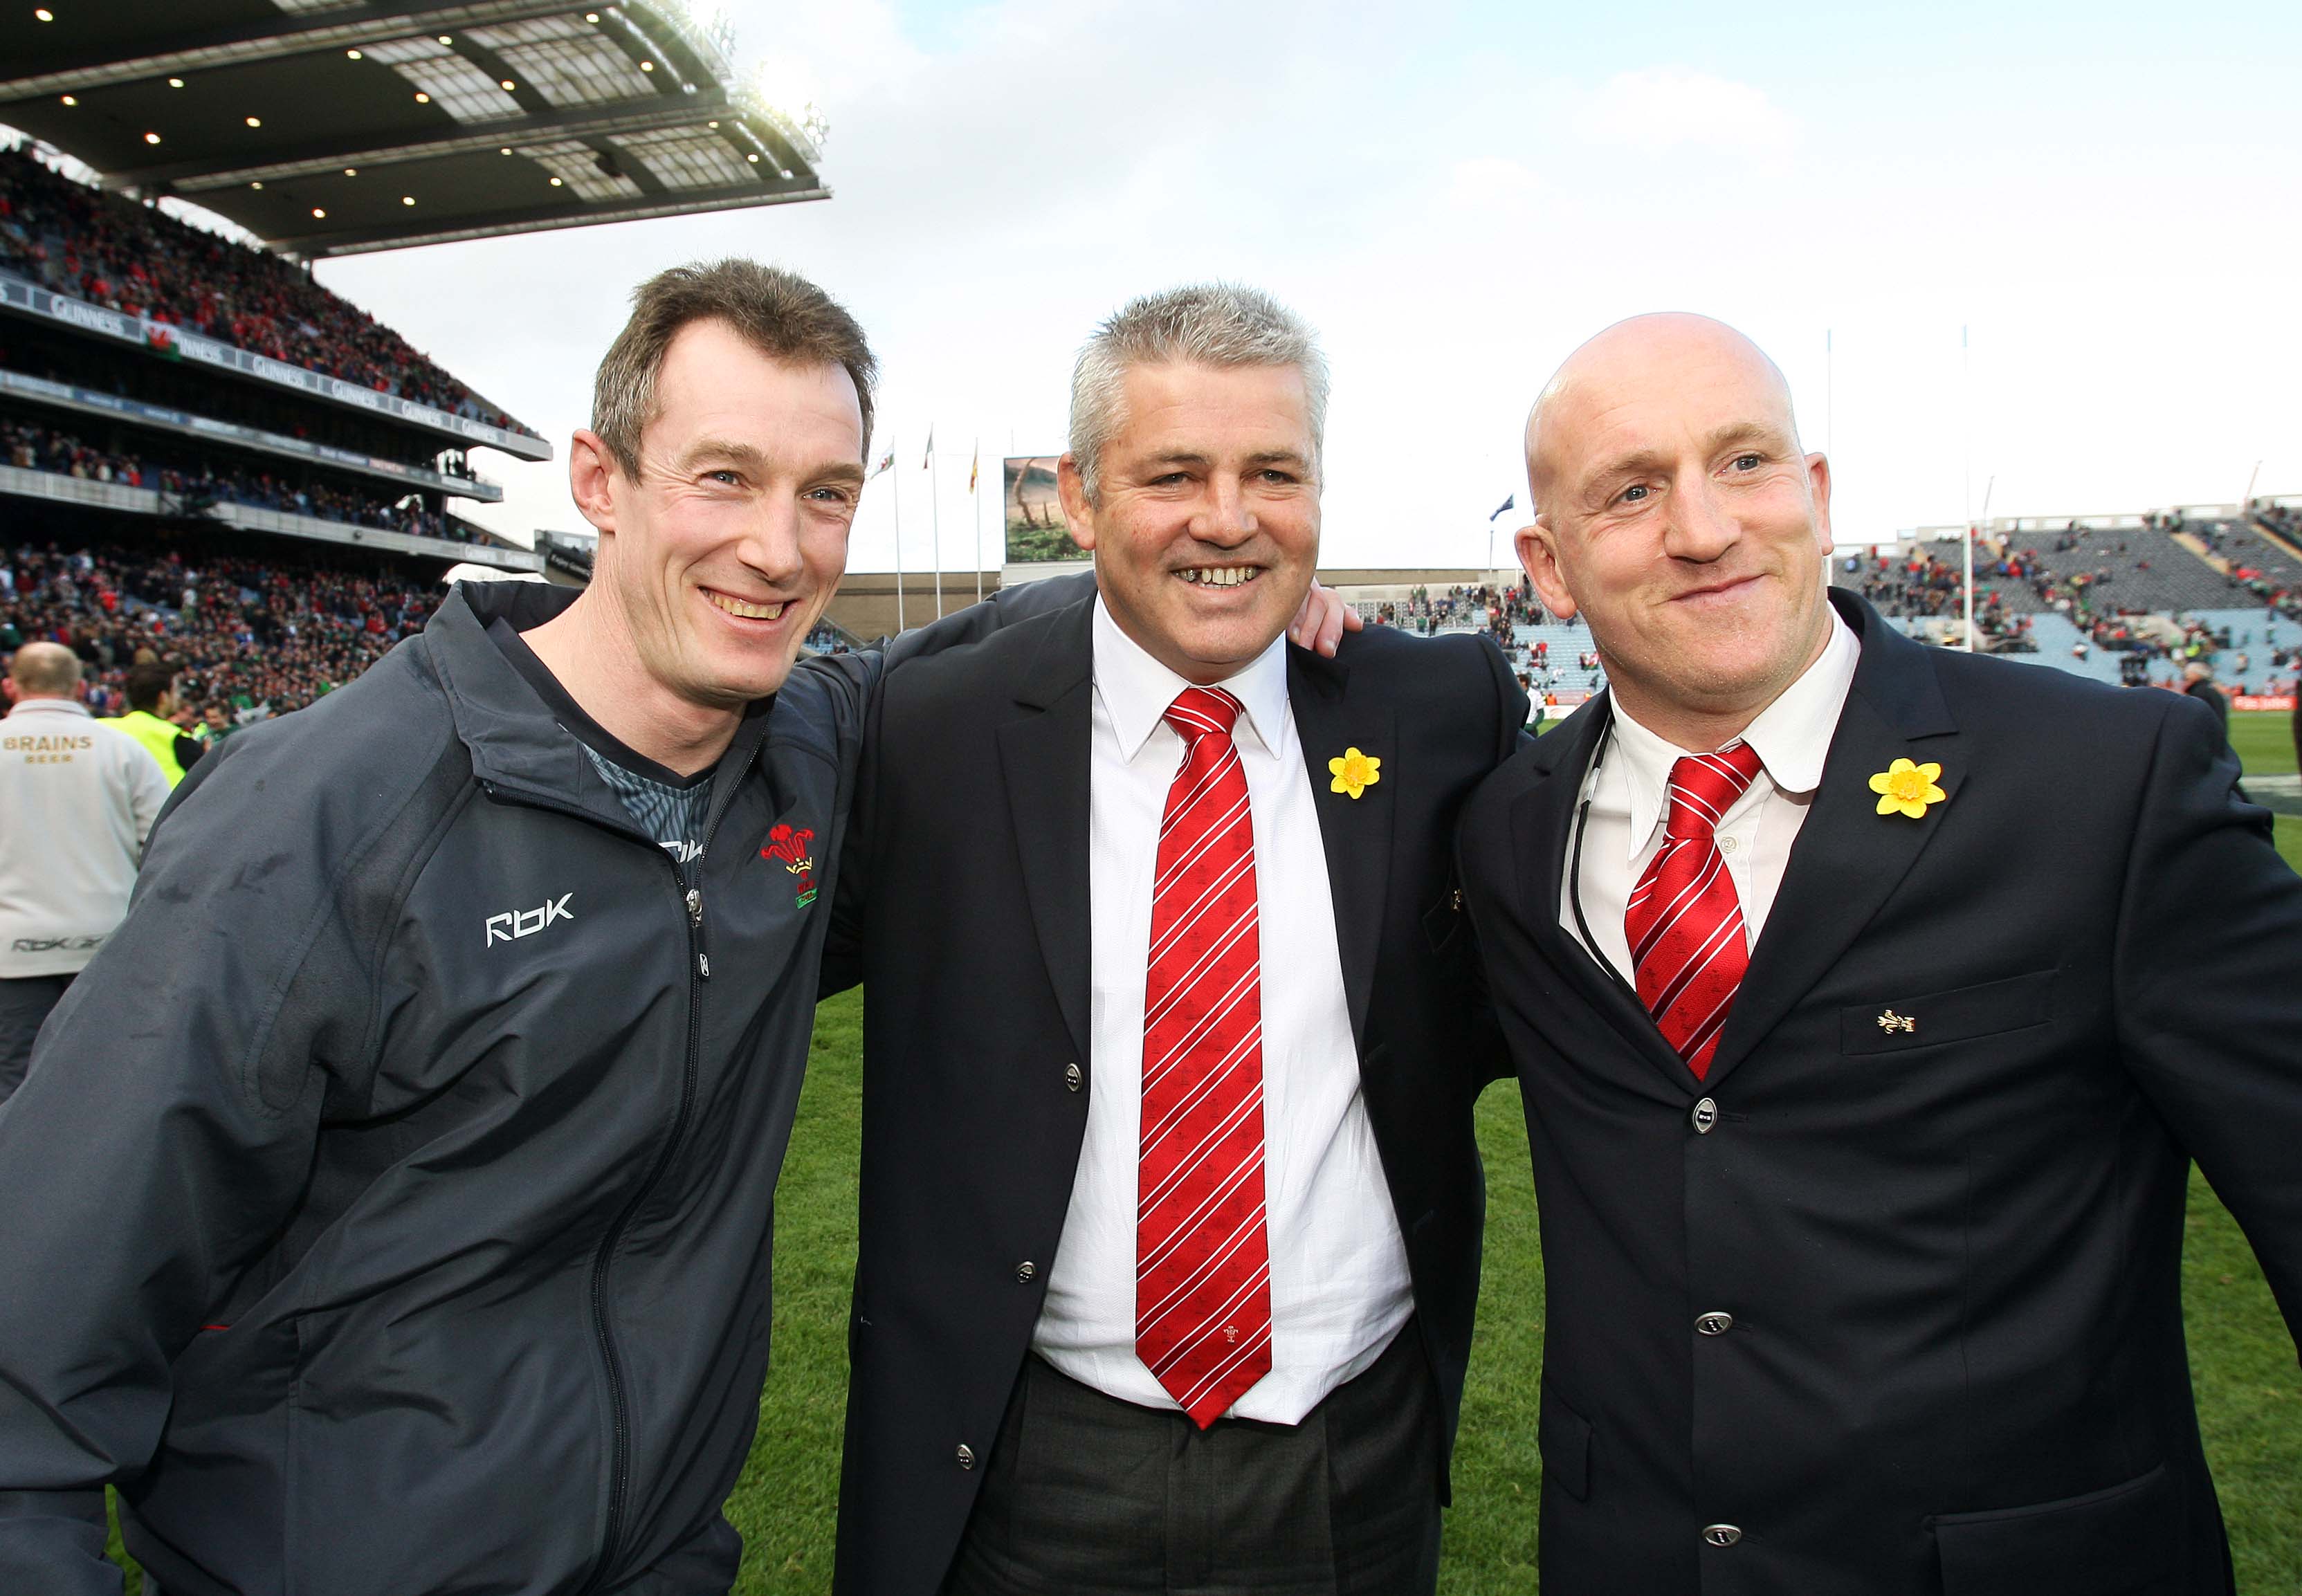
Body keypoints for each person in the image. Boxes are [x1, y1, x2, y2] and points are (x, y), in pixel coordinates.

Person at [0, 259, 1092, 1595]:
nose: (780, 546)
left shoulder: (810, 747)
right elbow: (37, 1321)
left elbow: (998, 642)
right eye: (724, 477)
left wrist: (1247, 587)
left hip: (664, 1563)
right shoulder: (319, 817)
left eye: (825, 494)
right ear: (597, 479)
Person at [1456, 312, 2302, 1593]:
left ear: (1816, 494)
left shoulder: (2102, 784)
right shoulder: (1506, 830)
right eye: (1630, 491)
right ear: (1547, 564)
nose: (1700, 527)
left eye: (1742, 462)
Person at [826, 284, 1526, 1595]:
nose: (1228, 515)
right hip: (1031, 1452)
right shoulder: (930, 729)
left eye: (1273, 472)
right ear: (1080, 501)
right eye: (1173, 475)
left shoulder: (1440, 711)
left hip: (1350, 1455)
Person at [0, 641, 168, 1100]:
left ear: (10, 684)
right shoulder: (123, 751)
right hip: (104, 942)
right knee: (102, 1086)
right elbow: (163, 842)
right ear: (82, 687)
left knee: (13, 1090)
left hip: (10, 952)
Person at [100, 660, 201, 785]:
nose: (178, 697)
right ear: (163, 697)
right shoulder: (177, 740)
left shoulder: (102, 729)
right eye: (175, 691)